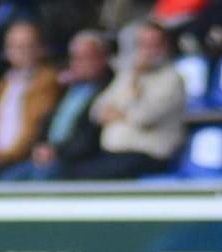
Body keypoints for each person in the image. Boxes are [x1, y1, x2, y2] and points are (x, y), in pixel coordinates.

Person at [64, 21, 185, 179]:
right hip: (114, 155)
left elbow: (143, 117)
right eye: (143, 45)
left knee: (85, 176)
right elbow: (97, 111)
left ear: (166, 46)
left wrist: (130, 96)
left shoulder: (172, 79)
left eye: (154, 44)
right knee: (69, 169)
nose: (148, 51)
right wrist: (126, 112)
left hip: (149, 155)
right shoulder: (127, 75)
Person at [4, 29, 111, 181]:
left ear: (103, 58)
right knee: (6, 179)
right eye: (75, 58)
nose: (78, 64)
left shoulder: (109, 90)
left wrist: (57, 152)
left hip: (74, 161)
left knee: (43, 176)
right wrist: (39, 146)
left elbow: (89, 137)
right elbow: (45, 122)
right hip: (46, 155)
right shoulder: (68, 89)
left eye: (86, 58)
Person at [0, 21, 60, 182]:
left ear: (40, 49)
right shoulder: (4, 84)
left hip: (21, 160)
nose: (20, 52)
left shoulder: (46, 81)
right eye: (14, 46)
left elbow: (32, 130)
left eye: (26, 46)